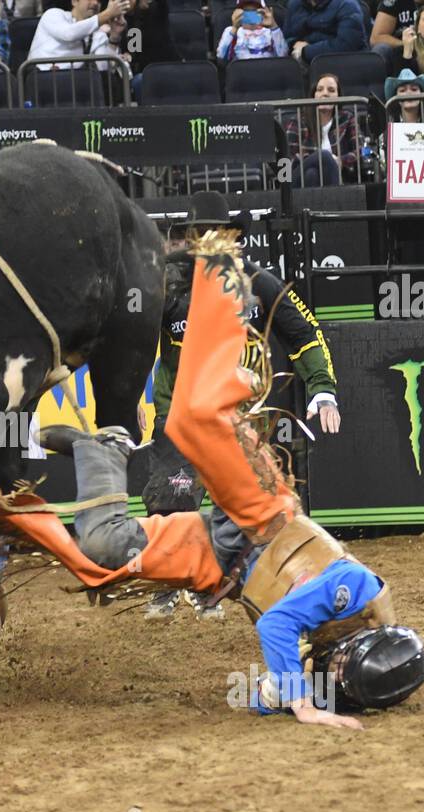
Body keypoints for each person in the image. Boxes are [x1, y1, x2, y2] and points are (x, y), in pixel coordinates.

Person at [0, 234, 424, 729]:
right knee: (191, 418)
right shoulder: (353, 594)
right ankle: (212, 266)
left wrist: (289, 691)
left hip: (223, 561)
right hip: (263, 516)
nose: (333, 672)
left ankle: (89, 457)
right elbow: (278, 622)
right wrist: (304, 704)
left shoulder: (332, 657)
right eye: (340, 670)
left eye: (338, 678)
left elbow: (267, 691)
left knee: (101, 552)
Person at [142, 192, 340, 620]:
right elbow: (133, 338)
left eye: (220, 235)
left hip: (240, 419)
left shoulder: (259, 282)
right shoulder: (166, 285)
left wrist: (322, 388)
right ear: (192, 240)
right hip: (180, 415)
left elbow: (302, 331)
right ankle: (165, 584)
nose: (212, 243)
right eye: (202, 236)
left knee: (237, 513)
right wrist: (128, 401)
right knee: (169, 499)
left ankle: (212, 587)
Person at [282, 72, 362, 186]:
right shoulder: (298, 121)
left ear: (338, 96)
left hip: (334, 179)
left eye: (331, 90)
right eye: (319, 89)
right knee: (323, 156)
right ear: (314, 95)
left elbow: (362, 150)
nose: (325, 94)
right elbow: (285, 159)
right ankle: (335, 200)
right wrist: (312, 159)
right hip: (296, 181)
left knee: (312, 174)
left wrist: (340, 161)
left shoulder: (347, 118)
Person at [27, 0, 130, 68]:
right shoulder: (53, 14)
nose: (95, 3)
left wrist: (114, 36)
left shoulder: (98, 33)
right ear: (75, 1)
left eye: (98, 0)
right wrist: (107, 14)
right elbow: (69, 34)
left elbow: (102, 67)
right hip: (41, 82)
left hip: (76, 89)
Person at [283, 0, 368, 67]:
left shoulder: (347, 5)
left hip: (343, 66)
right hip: (302, 62)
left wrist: (306, 50)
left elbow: (346, 45)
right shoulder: (294, 4)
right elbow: (287, 38)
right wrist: (294, 45)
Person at [217, 0, 290, 59]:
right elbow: (221, 57)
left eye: (255, 11)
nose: (250, 16)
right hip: (242, 72)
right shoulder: (231, 31)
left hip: (267, 71)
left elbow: (283, 55)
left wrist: (273, 25)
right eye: (246, 12)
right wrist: (234, 28)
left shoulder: (270, 32)